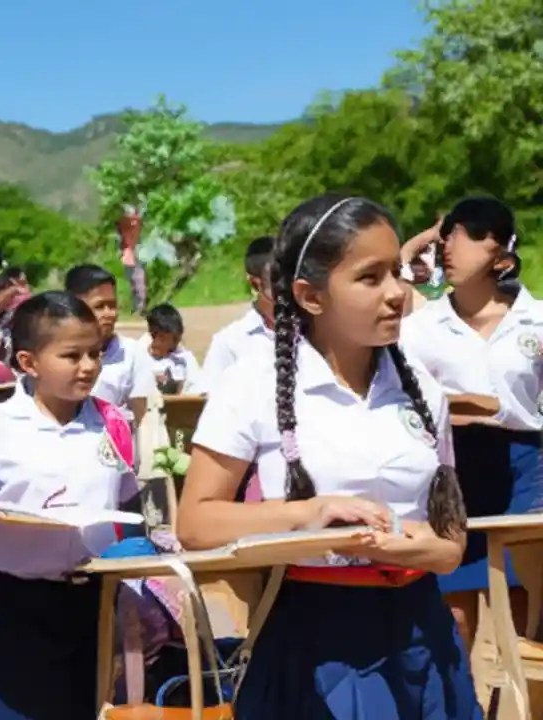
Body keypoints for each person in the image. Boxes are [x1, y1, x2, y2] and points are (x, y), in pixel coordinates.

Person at [177, 194, 477, 719]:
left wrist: (414, 549)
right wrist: (307, 515)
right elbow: (196, 522)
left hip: (422, 635)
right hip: (316, 640)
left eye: (398, 273)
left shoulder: (422, 389)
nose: (397, 294)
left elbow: (452, 543)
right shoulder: (252, 383)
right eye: (370, 277)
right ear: (310, 295)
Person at [0, 291, 138, 720]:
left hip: (92, 602)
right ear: (29, 362)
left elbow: (128, 502)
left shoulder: (110, 424)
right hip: (19, 605)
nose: (88, 366)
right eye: (72, 355)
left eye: (95, 353)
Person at [399, 195, 542, 650]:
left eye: (470, 235)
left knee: (524, 616)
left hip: (526, 469)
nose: (450, 247)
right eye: (448, 236)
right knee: (454, 616)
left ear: (502, 255)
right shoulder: (422, 327)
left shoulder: (536, 320)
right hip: (453, 471)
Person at [64, 263, 154, 429]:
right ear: (73, 307)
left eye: (112, 306)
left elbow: (146, 419)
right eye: (99, 307)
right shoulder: (55, 354)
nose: (109, 314)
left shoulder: (132, 354)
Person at [197, 236, 277, 393]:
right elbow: (208, 402)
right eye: (277, 279)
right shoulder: (230, 343)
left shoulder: (316, 333)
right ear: (255, 283)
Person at [139, 303, 201, 395]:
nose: (177, 342)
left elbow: (197, 391)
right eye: (174, 339)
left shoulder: (186, 358)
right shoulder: (139, 354)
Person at [118, 207, 148, 316]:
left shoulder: (135, 227)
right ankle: (136, 307)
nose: (134, 223)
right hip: (128, 257)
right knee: (133, 283)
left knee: (139, 282)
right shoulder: (125, 227)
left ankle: (140, 307)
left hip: (136, 256)